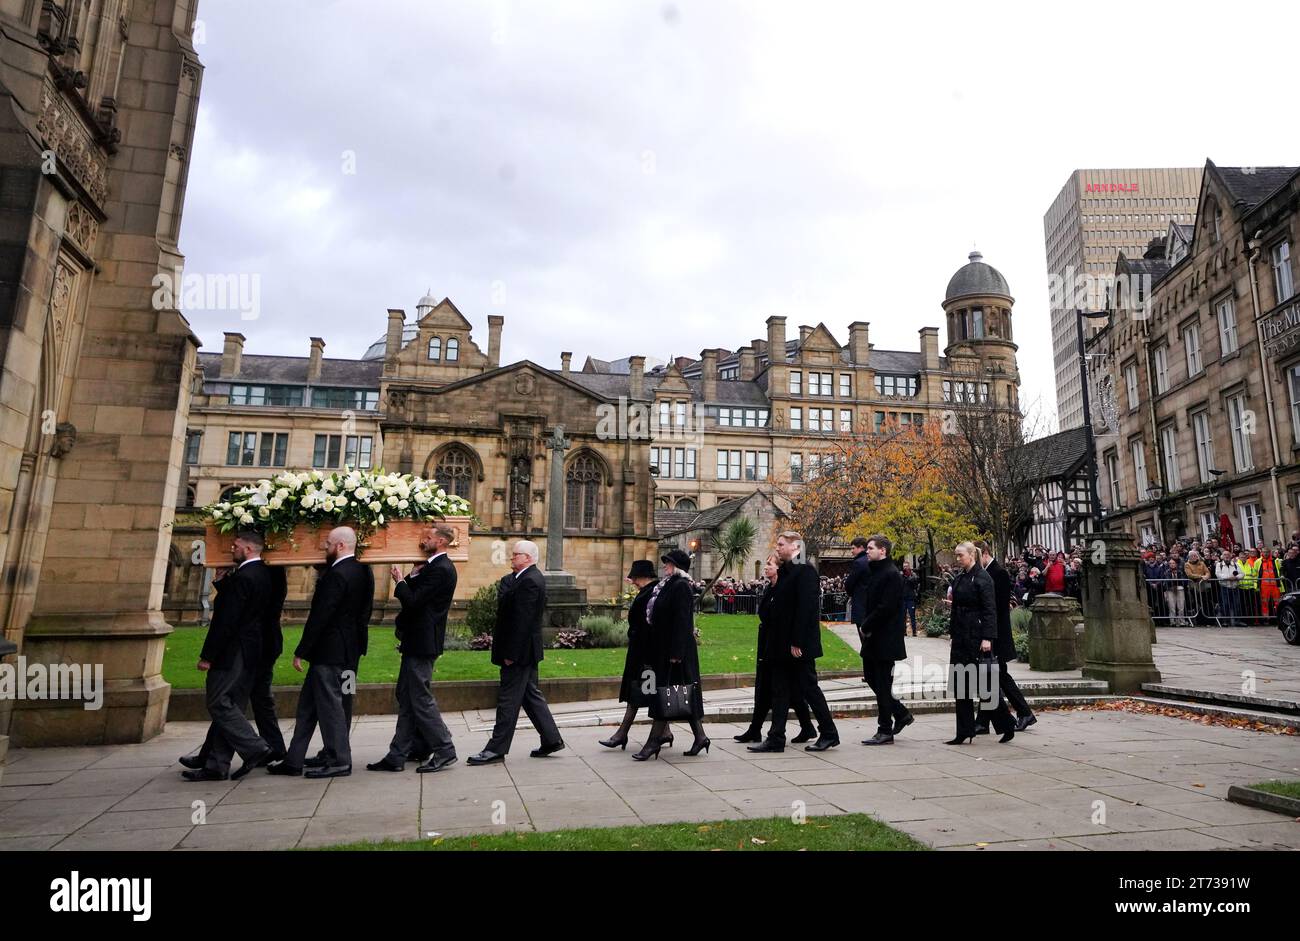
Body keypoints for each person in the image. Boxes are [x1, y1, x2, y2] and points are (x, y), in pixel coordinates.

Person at [269, 526, 372, 778]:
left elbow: (321, 616)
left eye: (327, 544)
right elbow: (364, 612)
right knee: (312, 704)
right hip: (350, 654)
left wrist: (302, 651)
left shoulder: (336, 575)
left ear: (339, 546)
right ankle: (294, 759)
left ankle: (339, 759)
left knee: (330, 705)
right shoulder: (364, 571)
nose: (324, 548)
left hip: (330, 654)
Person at [183, 530, 277, 781]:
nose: (231, 549)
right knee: (231, 704)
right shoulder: (264, 574)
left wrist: (208, 655)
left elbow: (227, 620)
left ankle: (255, 746)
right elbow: (246, 607)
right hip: (252, 650)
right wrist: (224, 583)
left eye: (235, 545)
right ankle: (216, 765)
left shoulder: (245, 576)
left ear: (248, 549)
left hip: (233, 651)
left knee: (218, 702)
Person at [367, 524, 459, 773]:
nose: (422, 541)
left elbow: (413, 602)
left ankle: (444, 748)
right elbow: (414, 593)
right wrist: (411, 576)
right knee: (406, 697)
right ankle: (397, 754)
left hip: (423, 643)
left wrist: (399, 580)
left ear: (440, 541)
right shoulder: (431, 568)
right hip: (416, 641)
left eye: (427, 538)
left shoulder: (441, 569)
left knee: (419, 697)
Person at [468, 541, 564, 764]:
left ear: (528, 558)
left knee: (508, 701)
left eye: (516, 555)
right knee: (530, 696)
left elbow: (523, 620)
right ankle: (551, 739)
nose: (511, 558)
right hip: (524, 651)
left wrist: (510, 653)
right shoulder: (521, 579)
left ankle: (495, 749)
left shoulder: (530, 581)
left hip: (519, 653)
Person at [748, 531, 839, 753]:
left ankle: (829, 733)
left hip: (798, 645)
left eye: (781, 544)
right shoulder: (788, 572)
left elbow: (806, 610)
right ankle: (776, 737)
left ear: (795, 546)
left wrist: (797, 641)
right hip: (781, 644)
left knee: (809, 689)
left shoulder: (805, 571)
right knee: (780, 690)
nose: (777, 547)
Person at [733, 554, 817, 745]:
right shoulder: (770, 588)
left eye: (769, 565)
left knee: (784, 690)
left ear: (779, 568)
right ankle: (760, 729)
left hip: (779, 645)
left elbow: (779, 616)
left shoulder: (781, 588)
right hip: (768, 643)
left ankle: (782, 731)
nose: (765, 568)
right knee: (769, 688)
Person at [634, 549, 710, 760]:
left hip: (676, 651)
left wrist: (677, 652)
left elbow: (683, 621)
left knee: (666, 695)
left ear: (677, 567)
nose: (665, 565)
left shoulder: (681, 587)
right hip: (665, 647)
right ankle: (701, 737)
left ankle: (652, 742)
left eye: (668, 563)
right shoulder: (667, 585)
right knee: (682, 695)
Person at [946, 541, 1014, 745]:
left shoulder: (983, 578)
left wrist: (987, 638)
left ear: (971, 555)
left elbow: (989, 609)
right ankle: (964, 730)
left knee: (985, 686)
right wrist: (952, 633)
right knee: (960, 685)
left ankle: (1007, 724)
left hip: (976, 636)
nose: (958, 559)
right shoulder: (960, 578)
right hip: (961, 636)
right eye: (956, 555)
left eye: (960, 555)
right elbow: (956, 608)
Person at [852, 535, 913, 745]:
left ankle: (885, 728)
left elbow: (886, 607)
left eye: (870, 548)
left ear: (883, 551)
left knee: (882, 682)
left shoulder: (891, 574)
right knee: (872, 677)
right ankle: (901, 713)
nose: (866, 551)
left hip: (884, 638)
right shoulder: (876, 571)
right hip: (875, 637)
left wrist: (866, 624)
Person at [599, 560, 665, 750]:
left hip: (646, 656)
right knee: (642, 692)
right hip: (640, 653)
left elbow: (649, 623)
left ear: (642, 576)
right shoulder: (648, 592)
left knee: (642, 692)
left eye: (635, 577)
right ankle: (664, 732)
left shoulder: (652, 593)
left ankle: (622, 734)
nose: (633, 581)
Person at [974, 541, 1035, 735]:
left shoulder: (997, 573)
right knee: (990, 676)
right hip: (991, 634)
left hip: (996, 634)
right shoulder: (987, 572)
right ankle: (983, 721)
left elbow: (997, 608)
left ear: (983, 554)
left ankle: (1025, 713)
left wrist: (988, 635)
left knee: (998, 675)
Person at [1183, 550, 1212, 626]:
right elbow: (1190, 575)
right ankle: (1199, 621)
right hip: (1194, 586)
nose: (1194, 557)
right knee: (1197, 604)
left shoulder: (1202, 563)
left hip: (1203, 586)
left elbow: (1207, 572)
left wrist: (1206, 576)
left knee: (1206, 603)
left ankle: (1207, 621)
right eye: (1192, 556)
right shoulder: (1187, 564)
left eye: (1195, 555)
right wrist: (1201, 576)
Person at [1216, 550, 1243, 625]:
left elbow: (1242, 574)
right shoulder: (1219, 564)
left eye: (1228, 554)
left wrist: (1236, 577)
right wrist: (1228, 577)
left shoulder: (1235, 564)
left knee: (1237, 604)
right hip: (1225, 587)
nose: (1226, 556)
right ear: (1222, 556)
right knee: (1225, 604)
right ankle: (1225, 621)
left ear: (1230, 556)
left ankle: (1238, 621)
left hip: (1235, 587)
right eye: (1225, 555)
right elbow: (1218, 575)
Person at [901, 562, 920, 636]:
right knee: (903, 616)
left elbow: (915, 583)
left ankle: (914, 632)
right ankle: (904, 632)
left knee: (912, 616)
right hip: (903, 598)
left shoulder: (913, 575)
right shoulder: (901, 575)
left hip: (911, 599)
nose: (905, 568)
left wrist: (908, 577)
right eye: (904, 566)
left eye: (906, 566)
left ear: (909, 566)